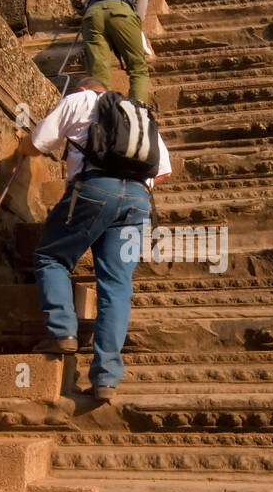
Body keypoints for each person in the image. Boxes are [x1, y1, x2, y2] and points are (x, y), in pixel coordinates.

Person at [19, 77, 172, 402]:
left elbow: (38, 144)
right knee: (116, 286)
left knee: (52, 258)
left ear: (83, 90)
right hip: (138, 200)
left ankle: (62, 332)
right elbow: (163, 170)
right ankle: (106, 379)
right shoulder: (138, 112)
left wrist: (19, 146)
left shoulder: (78, 101)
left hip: (93, 190)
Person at [68, 0, 151, 103]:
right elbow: (140, 14)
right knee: (138, 69)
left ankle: (99, 109)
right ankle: (137, 109)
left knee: (98, 72)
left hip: (93, 16)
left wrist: (83, 10)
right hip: (123, 14)